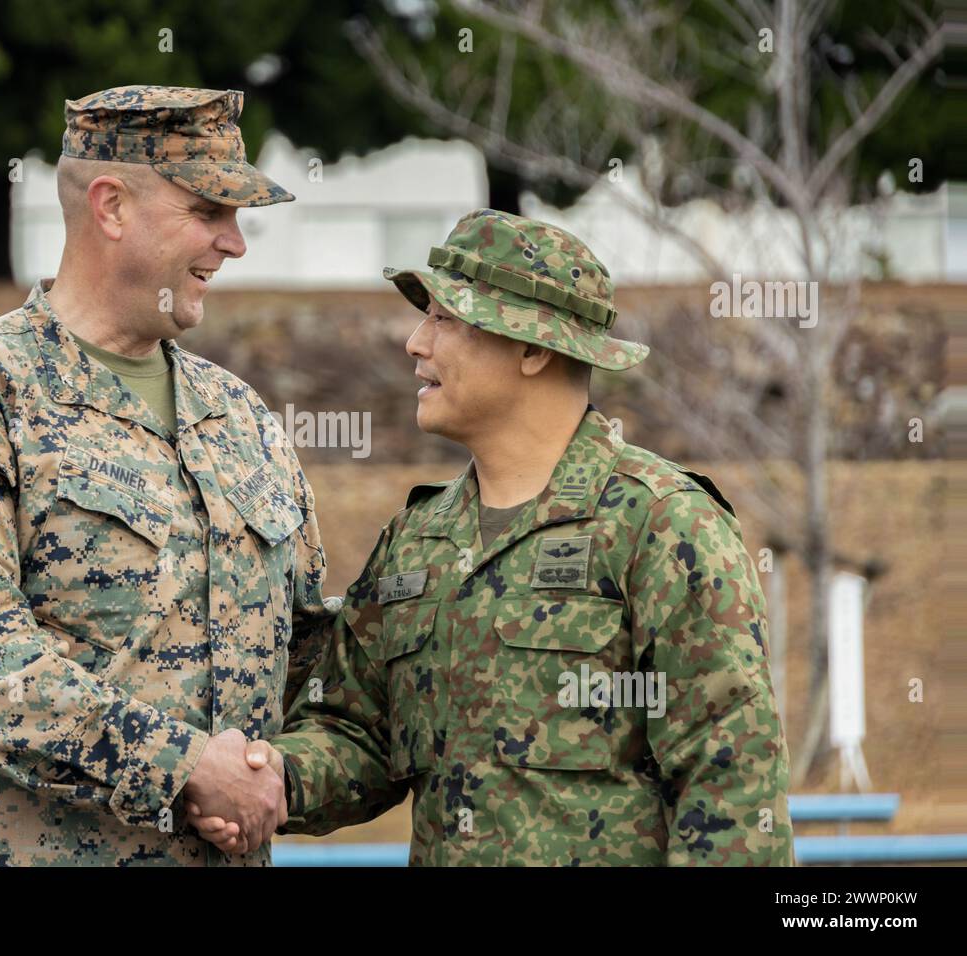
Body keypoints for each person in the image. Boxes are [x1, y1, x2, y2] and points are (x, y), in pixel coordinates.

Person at [188, 209, 795, 865]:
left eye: (445, 318)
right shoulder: (417, 541)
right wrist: (273, 779)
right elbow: (358, 730)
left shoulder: (662, 524)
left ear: (532, 348)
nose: (416, 342)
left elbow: (731, 785)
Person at [0, 85, 334, 866]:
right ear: (111, 207)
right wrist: (184, 769)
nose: (235, 243)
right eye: (208, 211)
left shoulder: (242, 418)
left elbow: (314, 665)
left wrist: (273, 778)